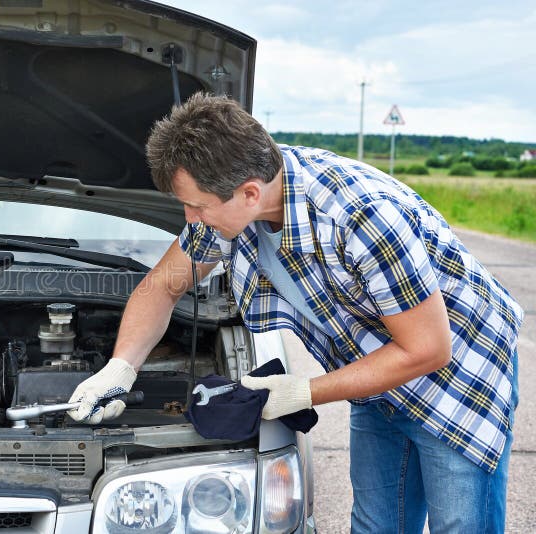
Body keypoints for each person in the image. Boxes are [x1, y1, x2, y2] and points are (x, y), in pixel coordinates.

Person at [66, 93, 522, 533]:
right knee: (376, 525)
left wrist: (301, 392)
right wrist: (121, 367)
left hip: (459, 377)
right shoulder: (232, 202)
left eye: (197, 206)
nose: (189, 218)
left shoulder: (360, 217)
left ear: (249, 193)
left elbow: (427, 349)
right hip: (379, 373)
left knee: (461, 526)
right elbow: (163, 287)